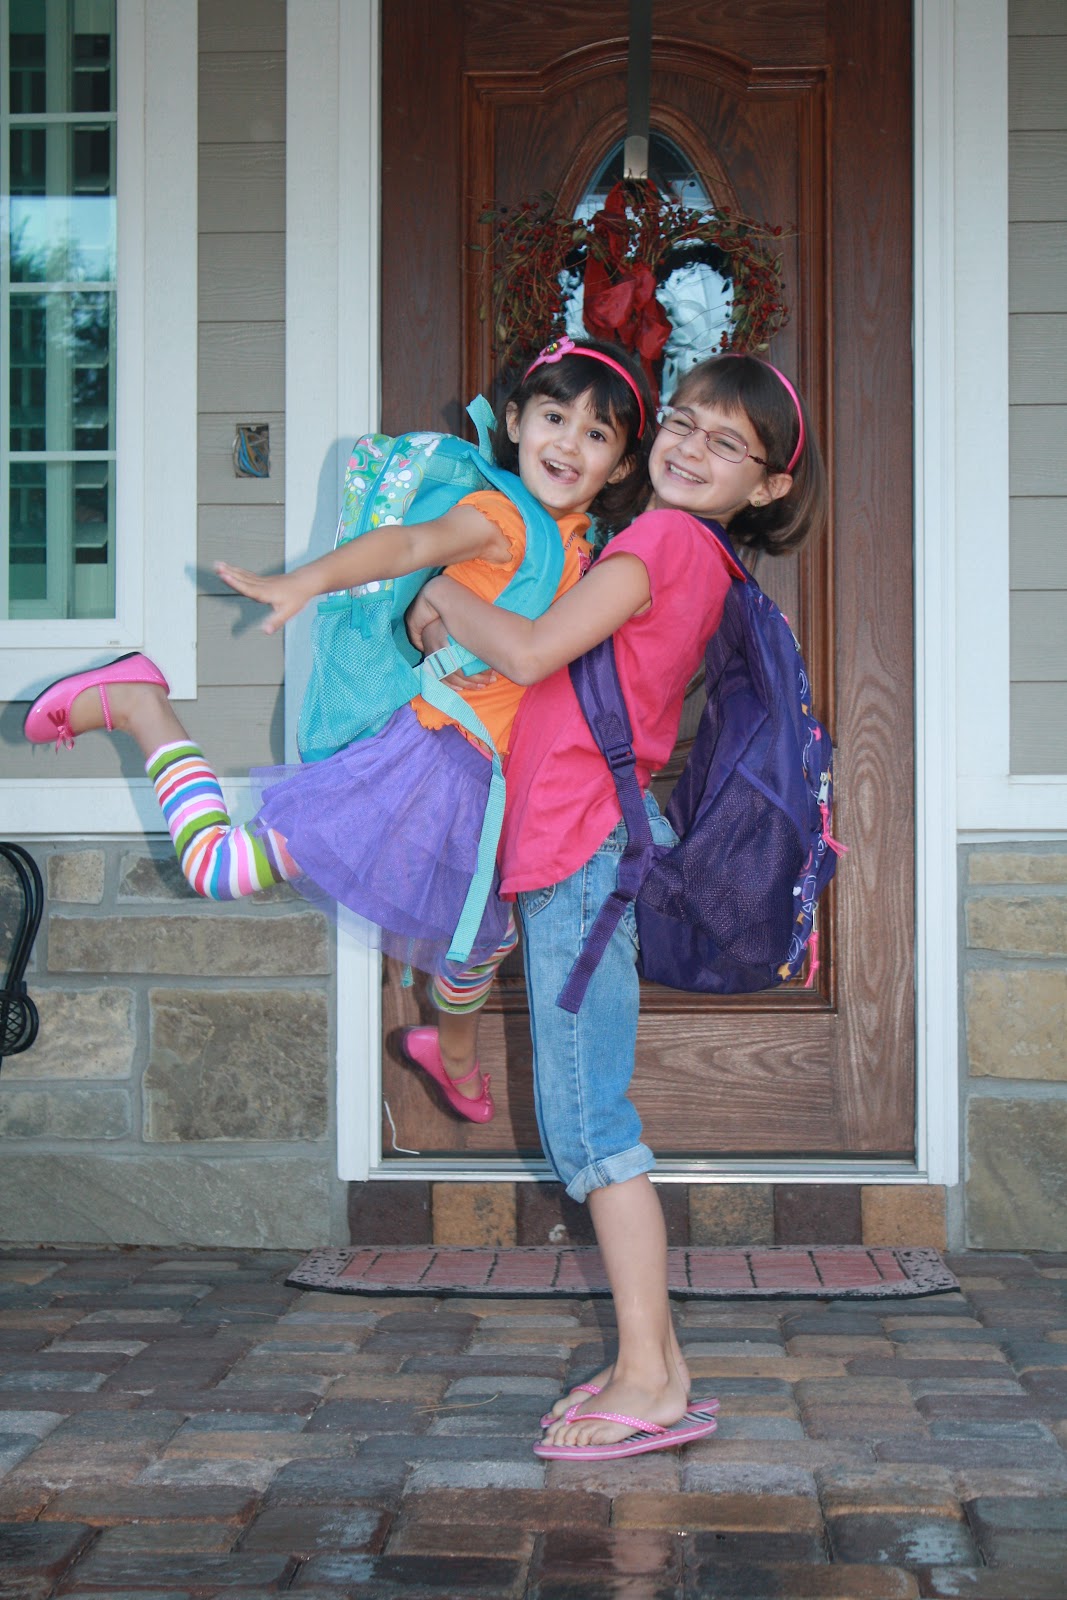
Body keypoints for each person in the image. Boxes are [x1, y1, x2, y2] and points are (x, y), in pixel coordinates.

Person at [22, 339, 652, 1123]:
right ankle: (141, 706)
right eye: (554, 417)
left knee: (482, 944)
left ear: (622, 465)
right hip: (426, 770)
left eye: (596, 434)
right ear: (516, 420)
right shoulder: (500, 517)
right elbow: (410, 544)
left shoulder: (580, 542)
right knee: (224, 870)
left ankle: (447, 1054)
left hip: (487, 785)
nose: (568, 442)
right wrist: (306, 581)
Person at [404, 352, 828, 1459]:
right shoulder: (683, 550)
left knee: (591, 1126)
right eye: (682, 422)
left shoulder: (662, 541)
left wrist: (436, 590)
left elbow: (536, 648)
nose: (688, 448)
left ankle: (646, 1374)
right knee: (584, 1116)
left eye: (723, 442)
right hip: (577, 841)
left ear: (769, 482)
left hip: (582, 849)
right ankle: (657, 1366)